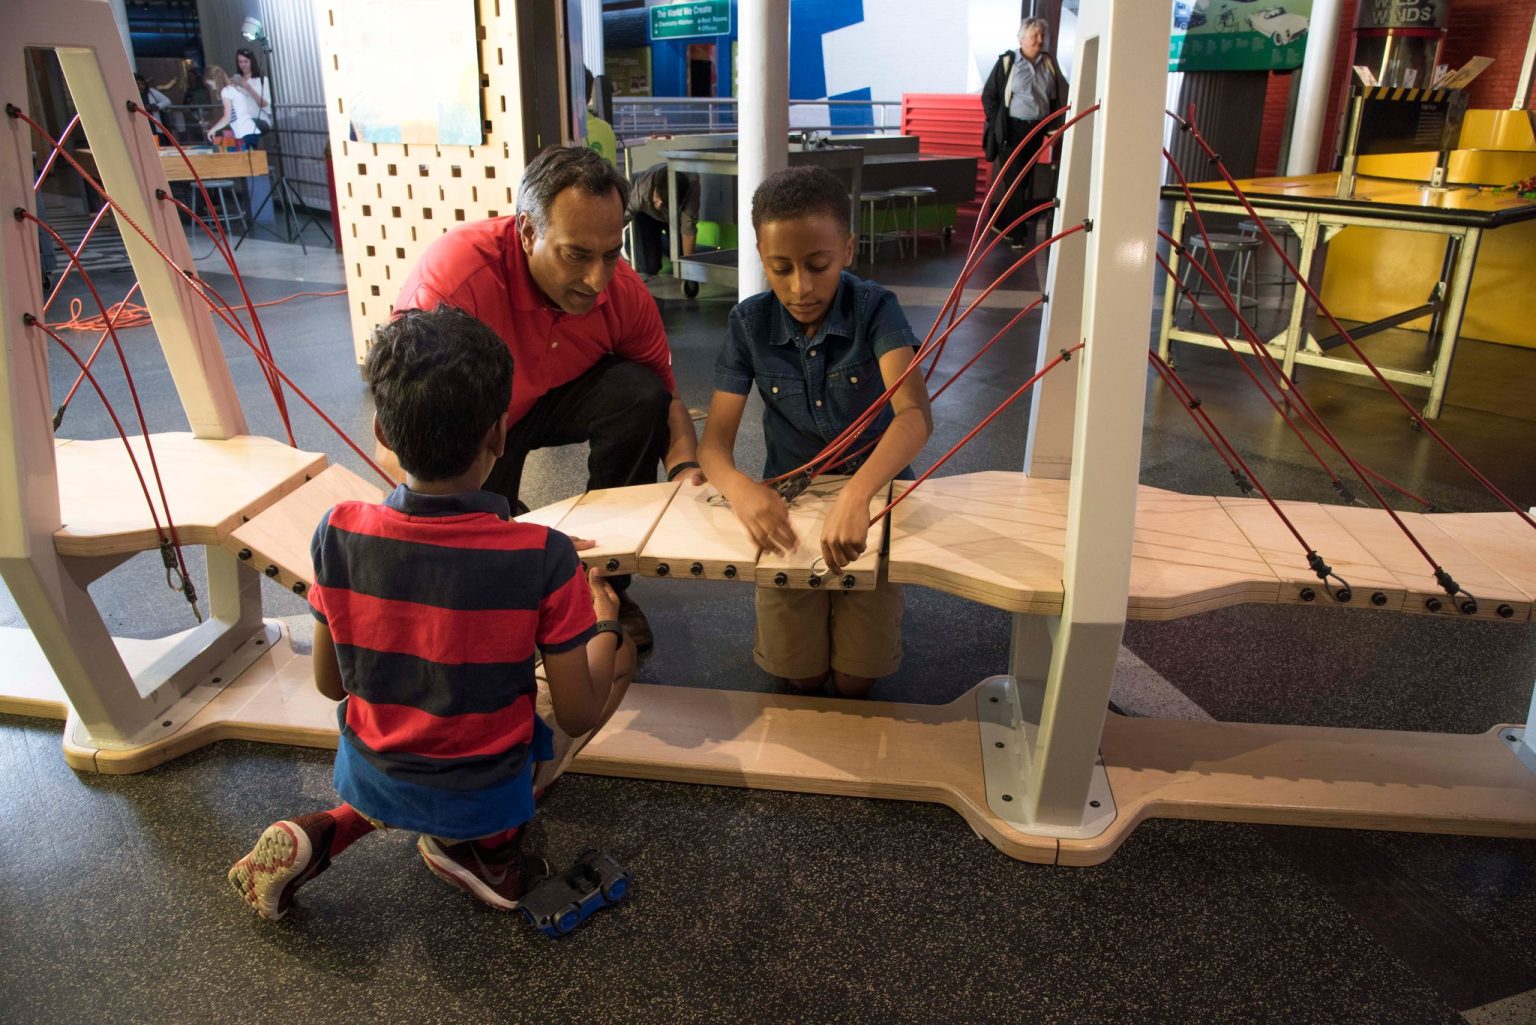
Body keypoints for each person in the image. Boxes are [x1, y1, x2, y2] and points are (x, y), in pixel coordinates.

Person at [227, 306, 636, 922]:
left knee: (411, 726)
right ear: (500, 433)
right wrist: (602, 620)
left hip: (371, 770)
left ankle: (329, 828)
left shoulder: (336, 531)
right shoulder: (543, 555)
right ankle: (492, 856)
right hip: (484, 788)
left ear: (383, 434)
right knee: (617, 656)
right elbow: (577, 710)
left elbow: (330, 682)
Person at [392, 144, 703, 653]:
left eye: (610, 254)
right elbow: (410, 432)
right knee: (481, 566)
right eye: (577, 255)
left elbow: (666, 399)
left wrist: (685, 470)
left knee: (638, 394)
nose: (597, 280)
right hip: (480, 419)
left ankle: (606, 585)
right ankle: (519, 549)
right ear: (528, 232)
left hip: (553, 397)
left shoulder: (622, 292)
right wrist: (494, 535)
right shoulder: (456, 279)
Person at [696, 166, 932, 699]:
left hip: (872, 496)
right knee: (798, 676)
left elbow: (914, 415)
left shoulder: (876, 308)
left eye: (818, 265)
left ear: (848, 249)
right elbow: (713, 446)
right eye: (781, 268)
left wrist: (858, 492)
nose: (800, 287)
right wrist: (740, 490)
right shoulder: (748, 323)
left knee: (855, 680)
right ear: (760, 255)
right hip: (789, 509)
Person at [980, 17, 1069, 250]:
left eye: (1042, 36)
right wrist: (997, 123)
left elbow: (1055, 95)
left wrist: (1054, 124)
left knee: (1025, 178)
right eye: (1034, 36)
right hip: (1011, 130)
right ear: (1022, 38)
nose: (1039, 40)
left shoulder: (1048, 63)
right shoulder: (1008, 62)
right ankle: (1017, 235)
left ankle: (1003, 222)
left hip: (1036, 129)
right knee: (1015, 181)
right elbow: (989, 95)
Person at [626, 162, 700, 278]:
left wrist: (688, 271)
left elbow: (688, 227)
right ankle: (629, 242)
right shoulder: (641, 190)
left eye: (664, 202)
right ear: (655, 187)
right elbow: (622, 218)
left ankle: (661, 243)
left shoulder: (692, 186)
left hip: (675, 216)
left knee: (680, 260)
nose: (659, 205)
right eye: (657, 198)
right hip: (646, 215)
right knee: (650, 267)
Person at [201, 65, 260, 151]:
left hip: (243, 133)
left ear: (215, 80)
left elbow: (227, 118)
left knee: (243, 163)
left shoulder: (225, 91)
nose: (212, 88)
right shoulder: (234, 88)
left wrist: (212, 130)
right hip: (251, 131)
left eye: (211, 84)